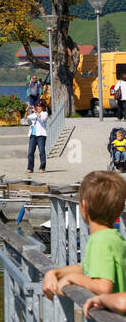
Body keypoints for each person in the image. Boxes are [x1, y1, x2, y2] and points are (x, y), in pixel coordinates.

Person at [42, 170, 126, 298]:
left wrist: (72, 278)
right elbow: (87, 269)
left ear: (84, 206)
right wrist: (55, 273)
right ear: (120, 209)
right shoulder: (114, 237)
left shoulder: (100, 241)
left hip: (106, 318)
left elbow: (103, 287)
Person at [24, 98, 49, 173]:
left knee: (42, 152)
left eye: (39, 106)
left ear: (43, 107)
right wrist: (26, 111)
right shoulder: (34, 114)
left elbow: (42, 119)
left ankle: (42, 167)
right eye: (37, 106)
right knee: (30, 152)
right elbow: (26, 119)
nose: (38, 107)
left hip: (41, 135)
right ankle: (30, 168)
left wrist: (35, 112)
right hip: (33, 135)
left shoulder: (45, 114)